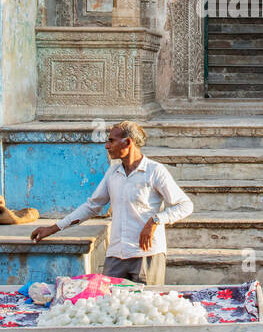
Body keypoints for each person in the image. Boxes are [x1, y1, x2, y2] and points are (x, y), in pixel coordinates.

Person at [29, 121, 193, 285]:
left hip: (146, 254)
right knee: (109, 304)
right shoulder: (113, 172)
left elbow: (185, 205)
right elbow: (92, 206)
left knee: (146, 307)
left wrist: (155, 220)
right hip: (116, 253)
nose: (107, 146)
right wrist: (53, 228)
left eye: (111, 141)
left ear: (128, 142)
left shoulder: (154, 171)